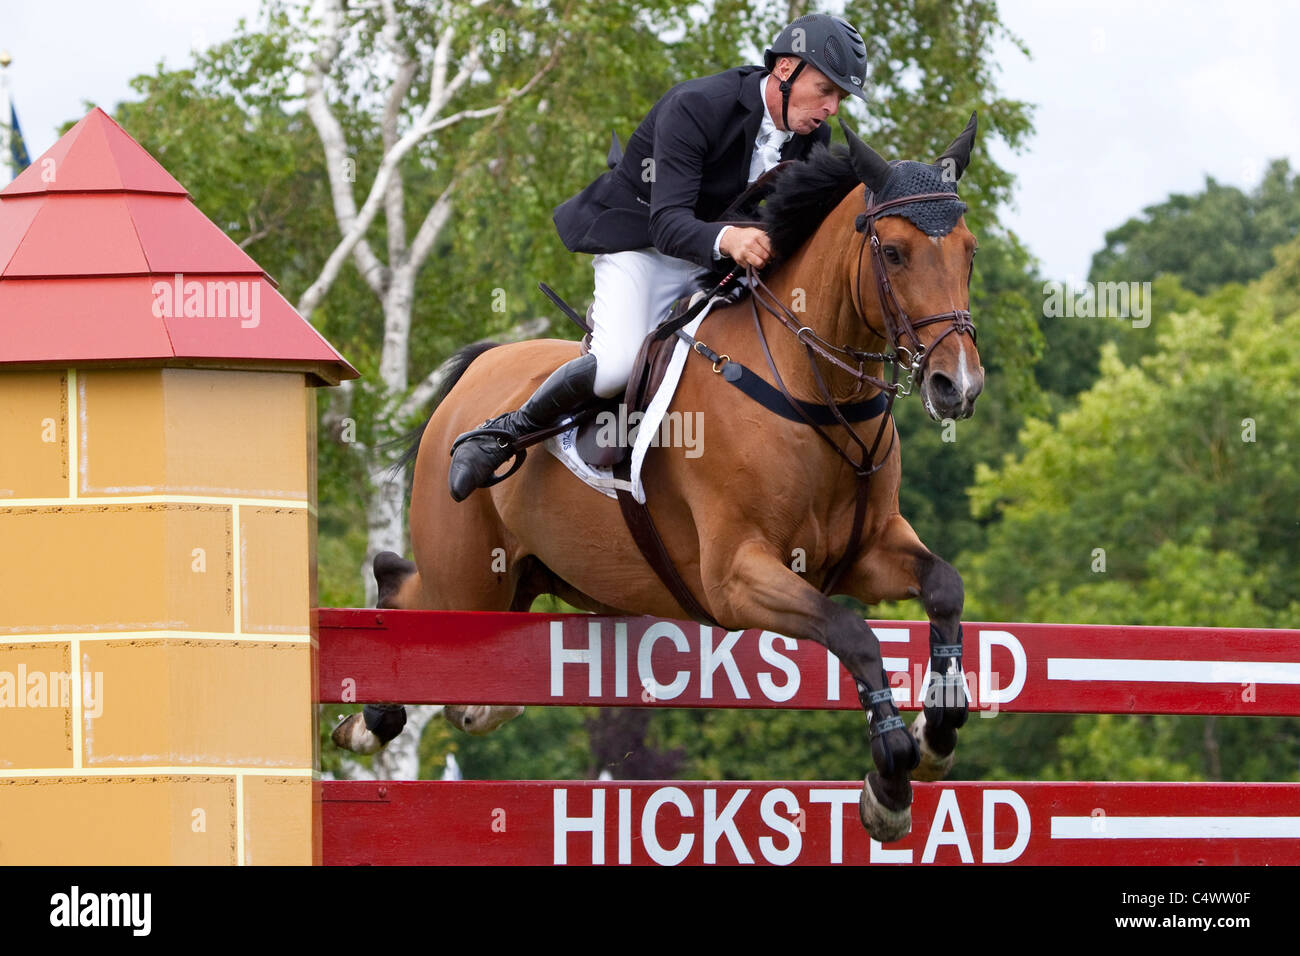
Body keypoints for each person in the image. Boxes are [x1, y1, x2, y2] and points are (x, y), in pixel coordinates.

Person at [448, 13, 869, 501]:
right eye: (825, 90)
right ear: (786, 69)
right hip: (644, 245)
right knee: (617, 365)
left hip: (715, 261)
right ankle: (502, 432)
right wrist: (731, 239)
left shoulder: (811, 134)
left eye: (839, 97)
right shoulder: (696, 106)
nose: (832, 109)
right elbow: (668, 224)